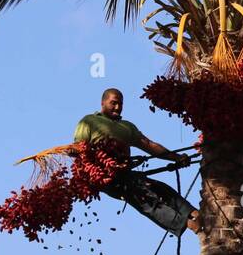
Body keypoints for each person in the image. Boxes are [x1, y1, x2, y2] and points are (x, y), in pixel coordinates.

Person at [74, 88, 200, 235]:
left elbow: (149, 145)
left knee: (160, 188)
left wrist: (176, 157)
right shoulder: (89, 121)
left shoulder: (126, 126)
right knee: (143, 197)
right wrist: (78, 152)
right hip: (105, 176)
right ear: (102, 103)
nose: (117, 107)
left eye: (120, 104)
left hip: (125, 172)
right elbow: (79, 148)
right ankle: (187, 224)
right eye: (113, 103)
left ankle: (195, 213)